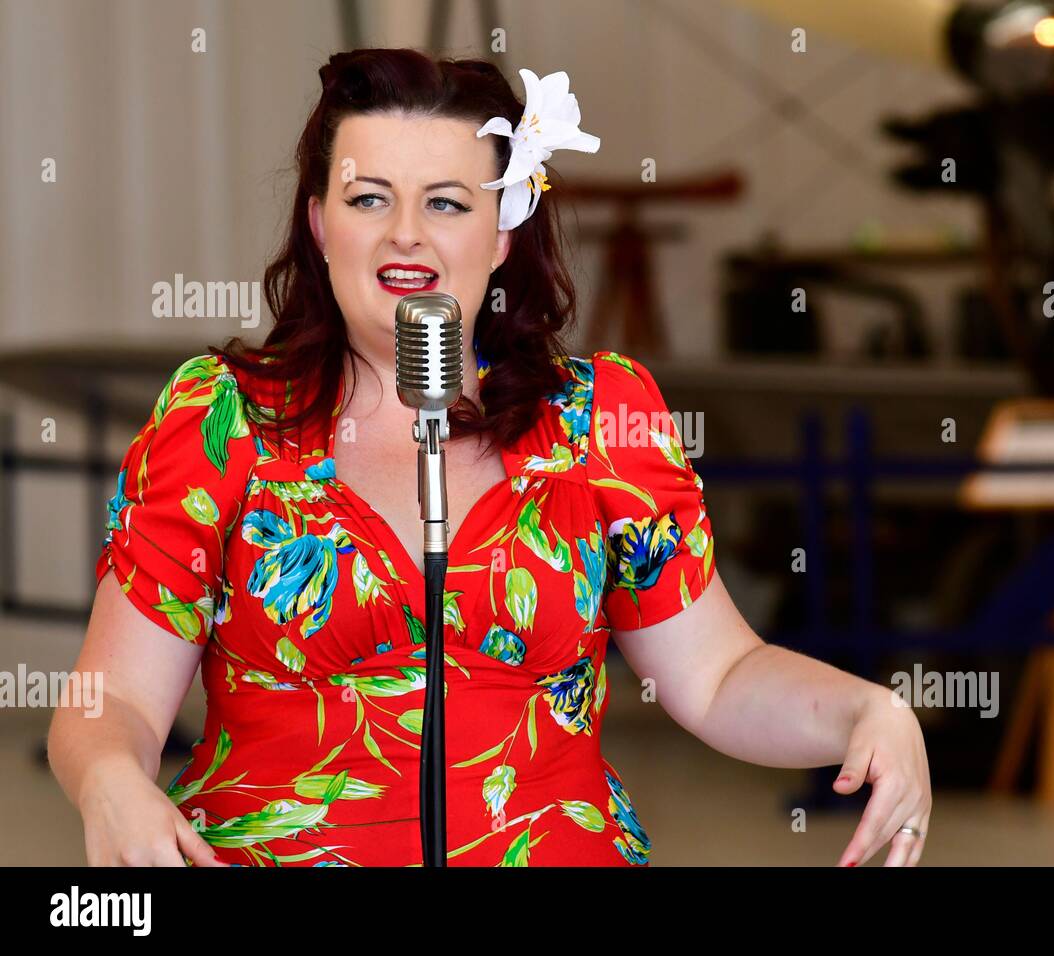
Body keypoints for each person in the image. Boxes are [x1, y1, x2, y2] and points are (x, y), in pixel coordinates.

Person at [47, 48, 930, 867]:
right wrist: (110, 781)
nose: (406, 235)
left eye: (446, 202)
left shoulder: (599, 419)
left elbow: (720, 678)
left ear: (503, 233)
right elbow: (110, 700)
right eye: (368, 198)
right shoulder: (223, 417)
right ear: (318, 223)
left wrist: (867, 709)